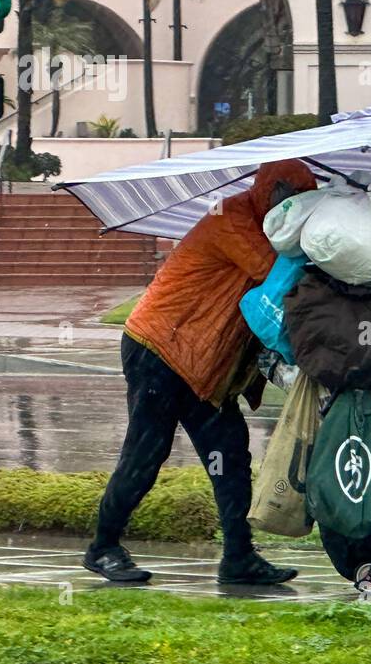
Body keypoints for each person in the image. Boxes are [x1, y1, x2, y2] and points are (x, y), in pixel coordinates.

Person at [83, 159, 319, 585]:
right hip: (159, 350)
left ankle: (239, 557)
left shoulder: (268, 226)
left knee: (229, 454)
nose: (292, 210)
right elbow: (277, 275)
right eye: (290, 200)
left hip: (204, 368)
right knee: (146, 452)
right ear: (270, 192)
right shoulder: (232, 220)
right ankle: (103, 547)